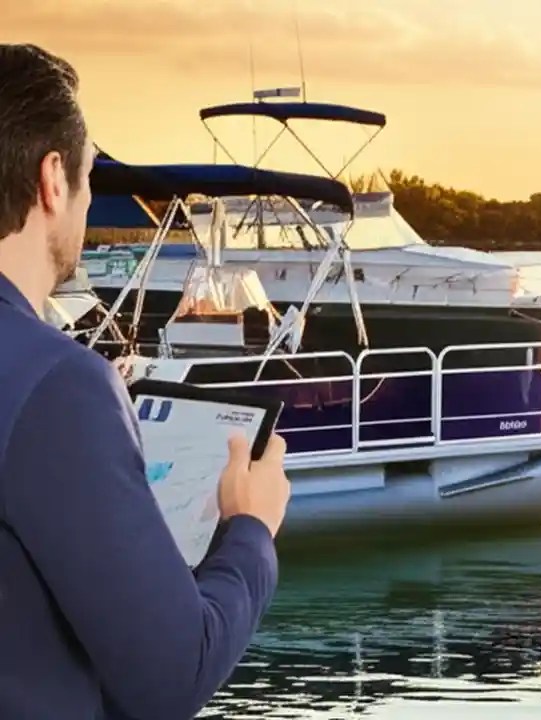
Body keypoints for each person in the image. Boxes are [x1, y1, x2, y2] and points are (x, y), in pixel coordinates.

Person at [0, 44, 293, 719]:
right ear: (52, 180)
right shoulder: (59, 386)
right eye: (88, 178)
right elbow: (173, 673)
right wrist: (251, 530)